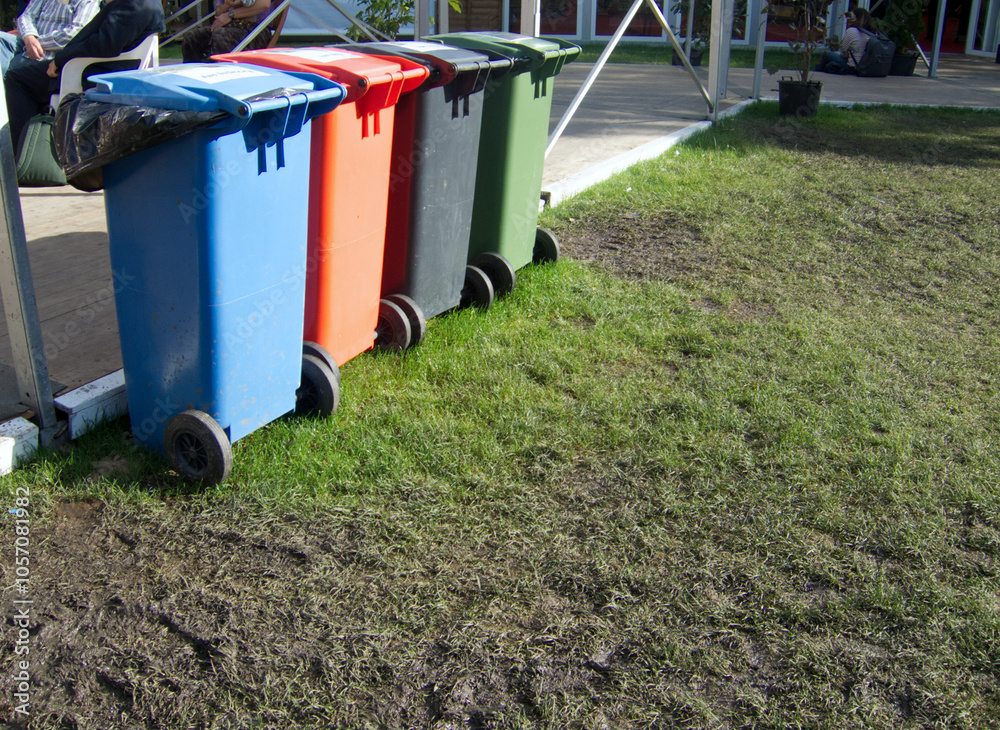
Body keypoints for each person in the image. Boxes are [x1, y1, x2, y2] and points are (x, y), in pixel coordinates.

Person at [3, 0, 164, 154]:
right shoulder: (149, 3)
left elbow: (104, 44)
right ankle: (35, 149)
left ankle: (21, 155)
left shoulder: (134, 3)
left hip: (91, 73)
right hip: (97, 68)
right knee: (21, 73)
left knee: (15, 79)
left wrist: (60, 60)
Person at [0, 0, 101, 76]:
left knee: (8, 70)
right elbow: (26, 16)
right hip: (28, 40)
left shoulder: (89, 2)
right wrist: (29, 36)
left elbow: (74, 34)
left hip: (48, 54)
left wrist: (36, 42)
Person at [180, 0, 273, 63]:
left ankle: (220, 75)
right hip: (230, 27)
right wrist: (228, 4)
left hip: (257, 29)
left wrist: (231, 15)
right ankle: (196, 76)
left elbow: (264, 4)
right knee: (191, 37)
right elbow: (218, 12)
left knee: (220, 35)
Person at [816, 7, 879, 74]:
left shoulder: (851, 30)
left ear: (856, 19)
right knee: (831, 64)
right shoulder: (874, 33)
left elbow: (844, 53)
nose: (848, 19)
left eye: (851, 17)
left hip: (853, 66)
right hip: (867, 67)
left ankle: (816, 74)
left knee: (826, 53)